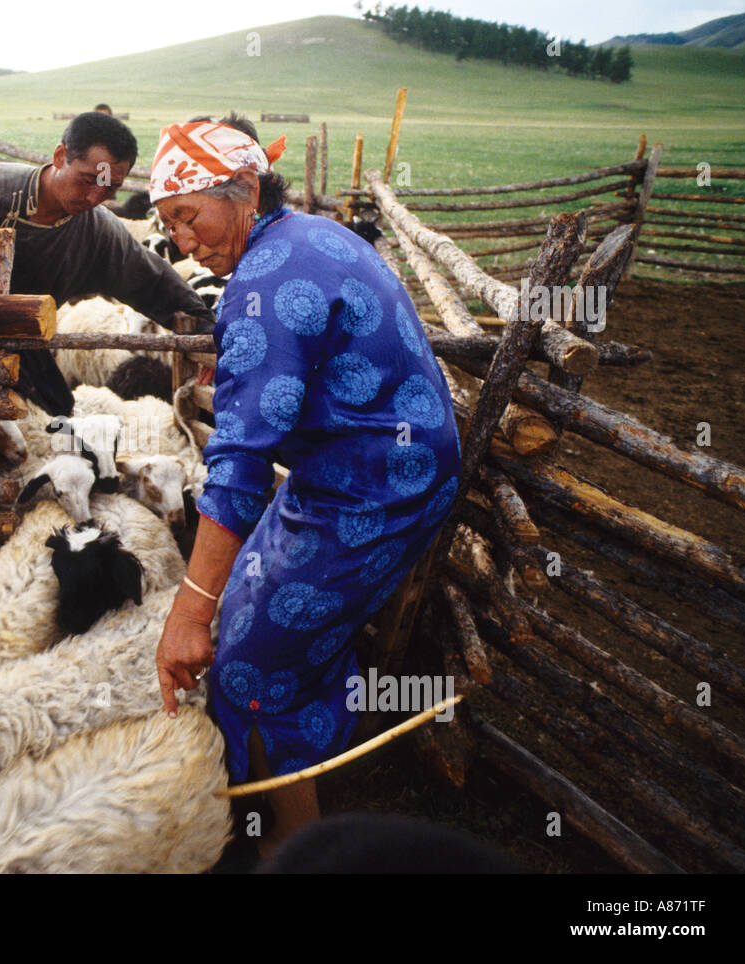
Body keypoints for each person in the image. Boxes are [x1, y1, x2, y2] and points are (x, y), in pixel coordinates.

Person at [149, 121, 461, 856]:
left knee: (248, 667)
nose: (184, 242)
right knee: (267, 615)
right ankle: (308, 752)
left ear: (246, 190)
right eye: (169, 227)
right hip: (359, 469)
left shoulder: (266, 283)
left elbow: (241, 462)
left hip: (377, 488)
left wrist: (189, 611)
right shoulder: (308, 237)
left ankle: (289, 848)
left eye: (189, 217)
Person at [0, 112, 216, 414]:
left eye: (110, 188)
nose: (96, 197)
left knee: (59, 417)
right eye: (87, 180)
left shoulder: (96, 230)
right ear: (60, 156)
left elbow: (155, 283)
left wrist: (213, 331)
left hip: (26, 351)